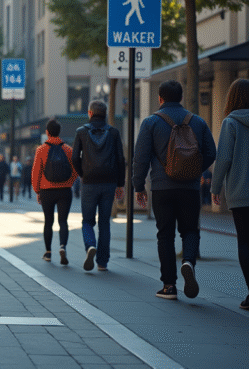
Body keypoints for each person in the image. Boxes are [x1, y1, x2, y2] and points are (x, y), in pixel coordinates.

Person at [133, 80, 216, 300]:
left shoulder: (150, 122)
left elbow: (140, 157)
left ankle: (169, 286)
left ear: (160, 98)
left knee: (165, 235)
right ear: (180, 97)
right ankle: (188, 260)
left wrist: (138, 186)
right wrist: (195, 170)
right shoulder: (197, 121)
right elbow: (211, 152)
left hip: (162, 188)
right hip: (189, 187)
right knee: (190, 230)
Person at [72, 100, 126, 272]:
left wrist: (82, 174)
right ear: (105, 114)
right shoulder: (114, 132)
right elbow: (120, 160)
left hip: (89, 182)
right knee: (105, 222)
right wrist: (120, 184)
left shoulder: (81, 132)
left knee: (87, 220)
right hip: (109, 182)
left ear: (89, 113)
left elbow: (74, 158)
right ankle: (102, 262)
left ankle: (90, 246)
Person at [210, 78, 249, 309]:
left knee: (244, 242)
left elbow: (223, 158)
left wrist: (215, 189)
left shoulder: (231, 123)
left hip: (240, 192)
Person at [33, 119, 78, 265]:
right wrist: (69, 182)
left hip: (47, 190)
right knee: (63, 221)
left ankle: (48, 252)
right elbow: (76, 169)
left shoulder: (41, 149)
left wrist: (37, 190)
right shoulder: (68, 149)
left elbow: (36, 172)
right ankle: (62, 246)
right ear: (59, 132)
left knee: (48, 221)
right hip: (65, 190)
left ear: (47, 132)